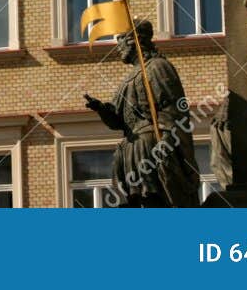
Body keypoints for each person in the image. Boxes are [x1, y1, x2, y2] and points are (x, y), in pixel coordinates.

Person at [83, 21, 201, 207]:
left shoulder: (157, 67)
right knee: (137, 201)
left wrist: (168, 138)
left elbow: (175, 108)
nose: (117, 50)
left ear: (133, 42)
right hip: (131, 147)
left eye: (120, 43)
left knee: (154, 198)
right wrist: (102, 109)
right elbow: (118, 121)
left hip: (151, 144)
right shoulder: (128, 78)